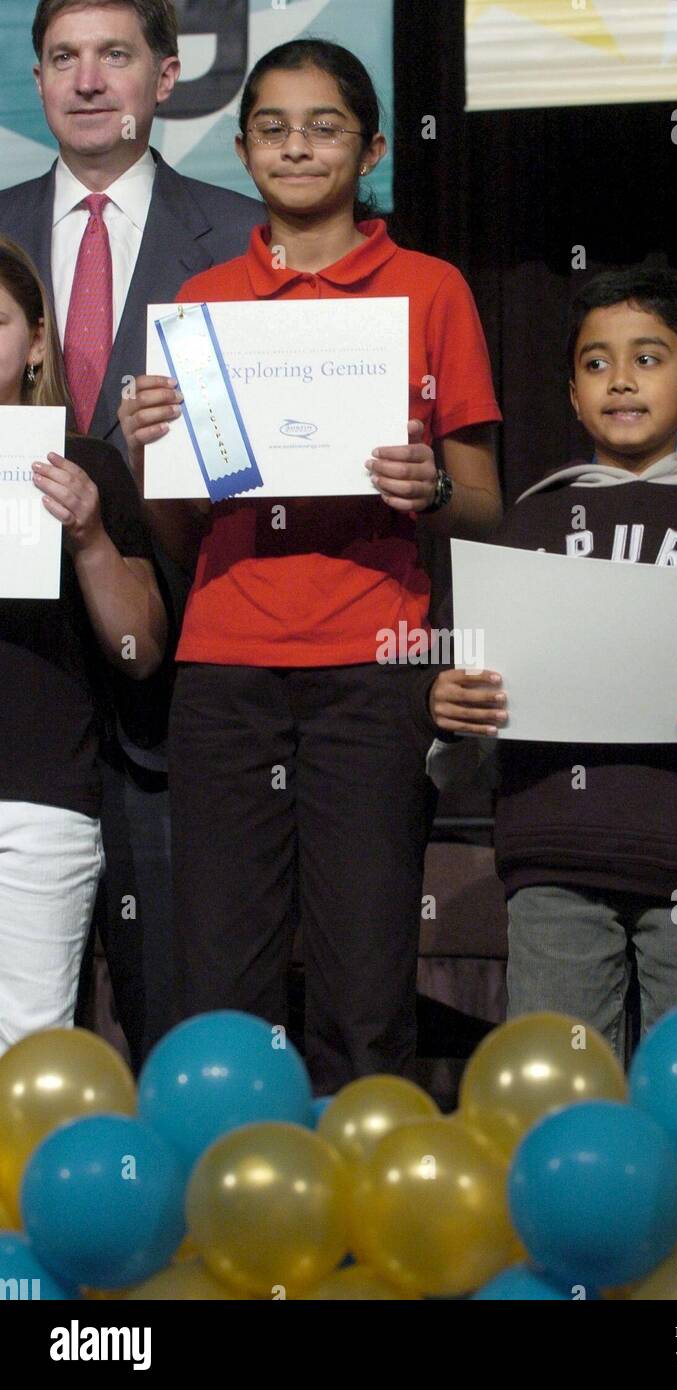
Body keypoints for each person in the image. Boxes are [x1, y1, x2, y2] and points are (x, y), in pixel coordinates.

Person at [119, 39, 502, 1092]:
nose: (298, 147)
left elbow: (485, 502)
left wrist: (425, 486)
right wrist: (154, 449)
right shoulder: (203, 299)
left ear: (372, 146)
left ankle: (362, 1222)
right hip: (226, 668)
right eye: (274, 128)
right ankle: (237, 1212)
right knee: (221, 979)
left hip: (373, 669)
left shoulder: (429, 291)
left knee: (365, 981)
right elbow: (181, 534)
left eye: (324, 125)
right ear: (242, 149)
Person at [415, 267, 677, 1060]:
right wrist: (448, 701)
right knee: (556, 1088)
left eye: (648, 358)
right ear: (572, 395)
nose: (619, 380)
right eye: (595, 362)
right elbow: (459, 669)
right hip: (554, 854)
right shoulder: (527, 525)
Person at [0, 0, 263, 1064]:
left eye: (116, 55)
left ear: (167, 76)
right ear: (37, 80)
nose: (89, 79)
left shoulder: (247, 238)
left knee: (180, 1009)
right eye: (64, 57)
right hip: (21, 688)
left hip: (193, 676)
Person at [0, 236, 166, 1056]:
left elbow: (140, 650)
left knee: (25, 1059)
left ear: (36, 342)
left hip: (37, 802)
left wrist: (92, 534)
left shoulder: (87, 462)